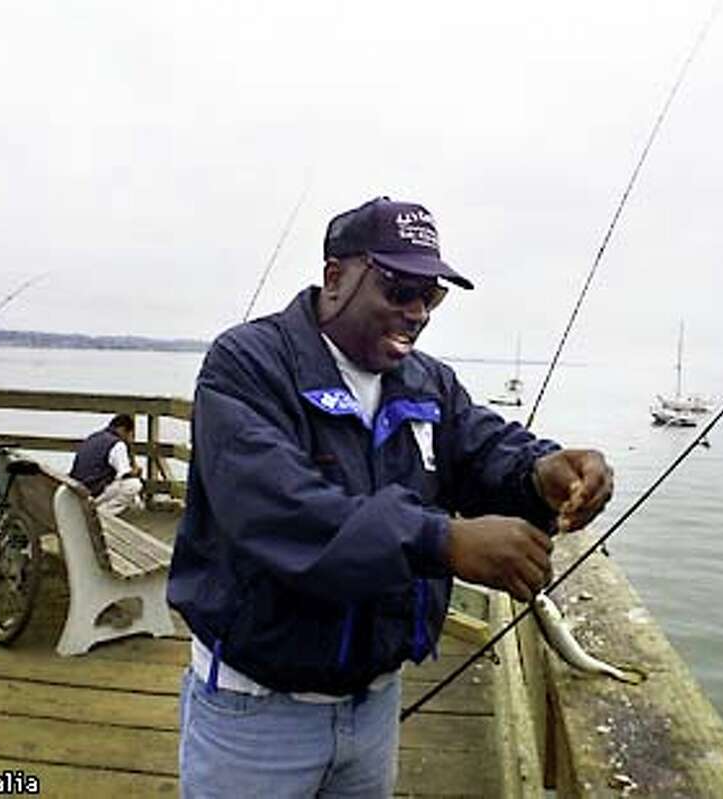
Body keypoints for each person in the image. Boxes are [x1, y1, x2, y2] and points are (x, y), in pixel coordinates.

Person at [167, 196, 614, 797]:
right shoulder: (246, 365)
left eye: (431, 295)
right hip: (255, 714)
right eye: (398, 288)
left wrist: (542, 473)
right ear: (335, 276)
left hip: (375, 703)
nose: (416, 311)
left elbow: (482, 449)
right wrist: (443, 539)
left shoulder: (428, 380)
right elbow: (278, 508)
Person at [70, 413, 144, 516]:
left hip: (78, 487)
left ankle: (134, 507)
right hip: (93, 490)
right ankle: (101, 514)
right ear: (124, 430)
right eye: (131, 434)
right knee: (134, 485)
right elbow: (124, 474)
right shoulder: (117, 444)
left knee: (135, 500)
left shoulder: (94, 437)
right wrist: (136, 471)